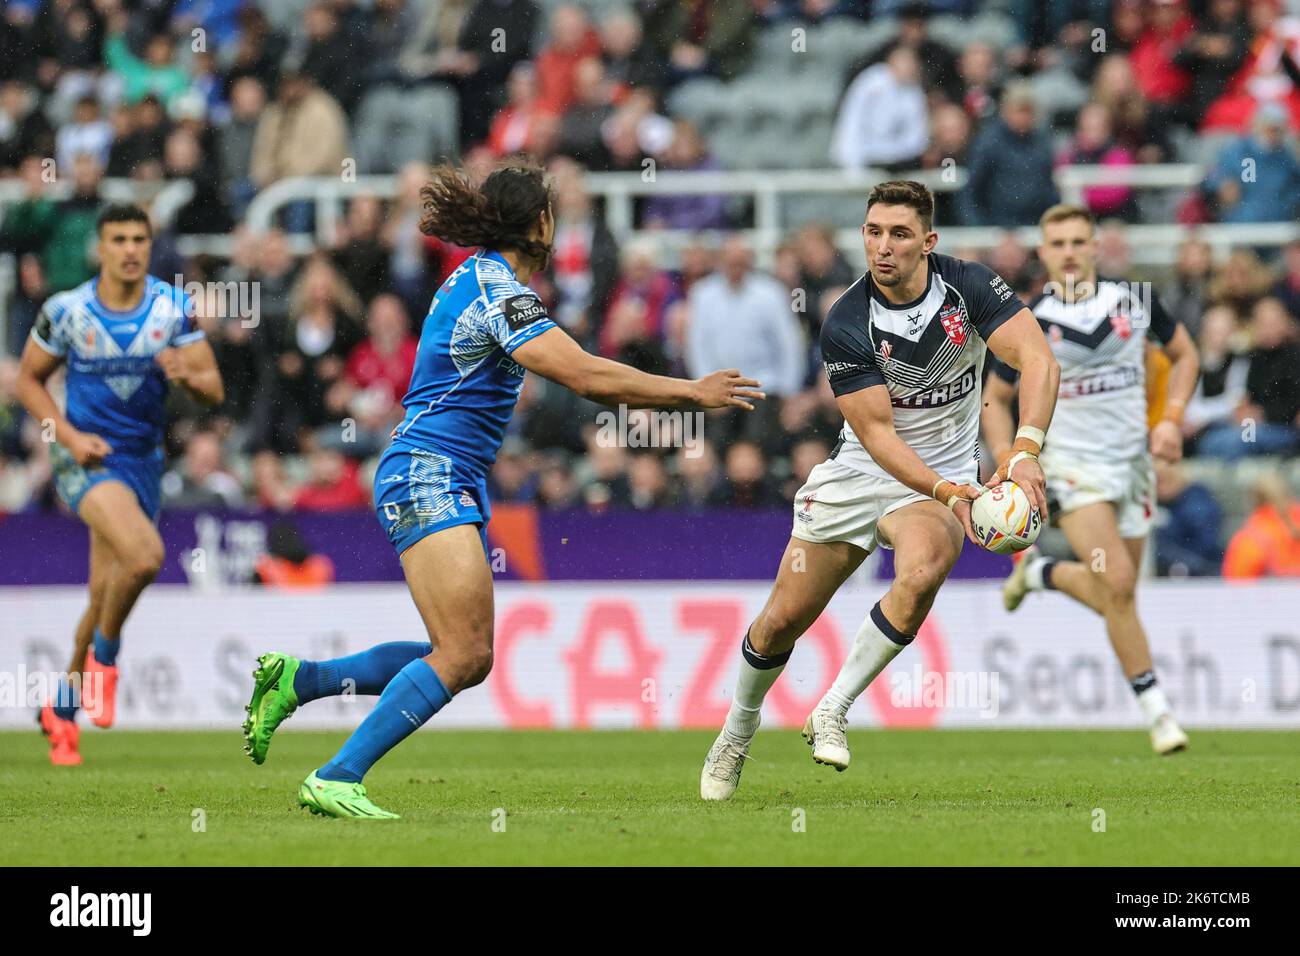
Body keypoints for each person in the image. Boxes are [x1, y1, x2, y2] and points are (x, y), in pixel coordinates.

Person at [243, 160, 763, 818]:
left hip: (434, 471)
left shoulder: (480, 279)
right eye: (553, 212)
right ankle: (338, 774)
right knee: (462, 653)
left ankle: (300, 680)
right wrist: (691, 392)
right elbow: (583, 375)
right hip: (428, 469)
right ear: (539, 222)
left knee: (464, 653)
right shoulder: (499, 291)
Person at [700, 181, 1059, 800]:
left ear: (928, 240)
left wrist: (1024, 452)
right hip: (860, 474)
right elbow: (877, 435)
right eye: (873, 232)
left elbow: (1038, 358)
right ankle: (737, 729)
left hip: (934, 487)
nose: (883, 247)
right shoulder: (846, 319)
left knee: (923, 570)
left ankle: (833, 708)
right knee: (782, 620)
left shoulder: (969, 287)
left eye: (898, 234)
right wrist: (954, 492)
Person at [14, 204, 224, 765]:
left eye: (139, 239)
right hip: (86, 460)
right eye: (118, 239)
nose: (130, 249)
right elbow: (26, 382)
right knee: (146, 555)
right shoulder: (67, 311)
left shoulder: (173, 309)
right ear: (100, 249)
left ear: (150, 246)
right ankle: (105, 661)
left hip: (143, 462)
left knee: (106, 589)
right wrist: (67, 434)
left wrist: (188, 376)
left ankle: (61, 705)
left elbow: (215, 389)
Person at [988, 204, 1200, 755]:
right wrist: (1011, 458)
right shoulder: (1027, 319)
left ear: (1096, 245)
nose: (1069, 252)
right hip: (1071, 469)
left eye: (1079, 241)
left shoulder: (1136, 300)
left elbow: (1185, 355)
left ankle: (1042, 574)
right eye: (1057, 243)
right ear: (1043, 252)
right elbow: (996, 397)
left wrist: (1172, 418)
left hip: (1133, 467)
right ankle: (1159, 714)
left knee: (1119, 593)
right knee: (1121, 584)